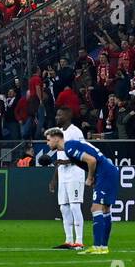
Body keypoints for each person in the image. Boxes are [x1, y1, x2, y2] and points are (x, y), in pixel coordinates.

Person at [45, 128, 118, 255]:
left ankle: (96, 247)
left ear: (56, 138)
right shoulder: (70, 148)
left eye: (48, 140)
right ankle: (103, 247)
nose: (47, 143)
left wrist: (90, 178)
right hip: (108, 171)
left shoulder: (69, 147)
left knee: (96, 209)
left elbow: (92, 160)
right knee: (105, 209)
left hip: (105, 173)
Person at [48, 106, 86, 249]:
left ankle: (79, 241)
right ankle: (68, 240)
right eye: (56, 115)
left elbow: (83, 154)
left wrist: (67, 161)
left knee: (75, 206)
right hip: (63, 175)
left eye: (59, 115)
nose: (57, 117)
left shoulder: (76, 132)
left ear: (68, 116)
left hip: (75, 173)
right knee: (64, 208)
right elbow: (59, 159)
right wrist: (54, 179)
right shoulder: (58, 134)